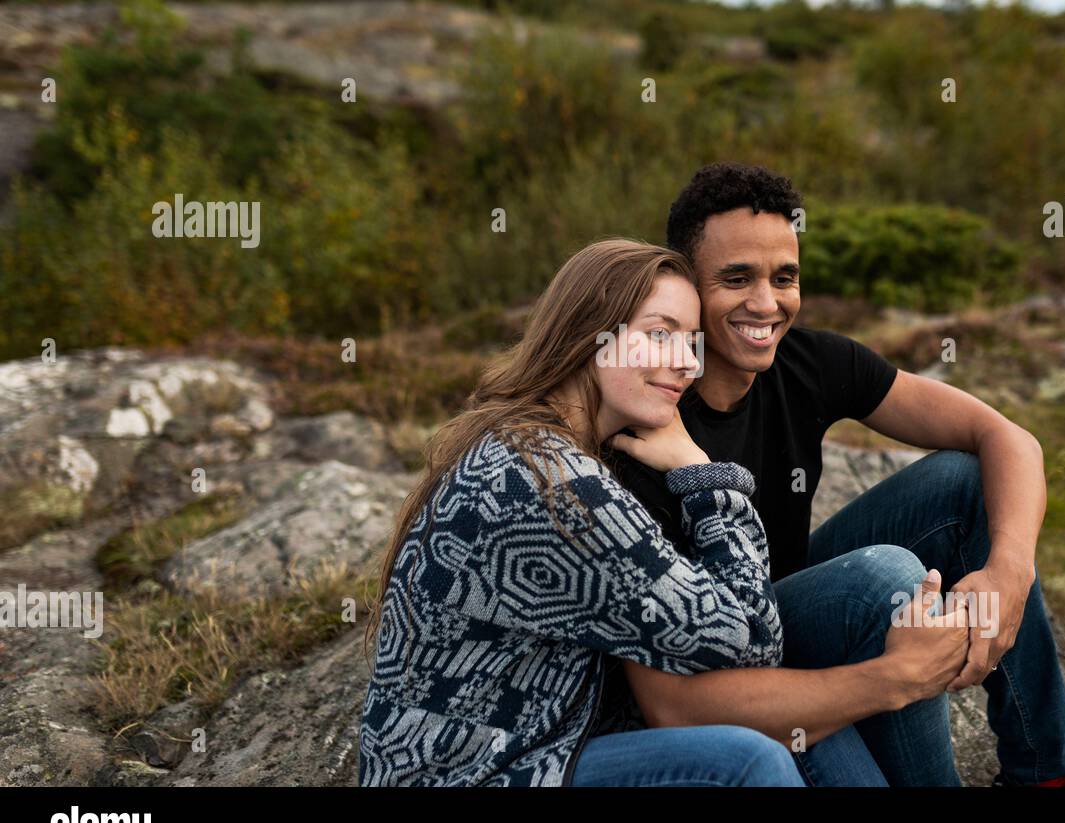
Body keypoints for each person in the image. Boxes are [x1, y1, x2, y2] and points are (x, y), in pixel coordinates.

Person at [606, 162, 1065, 787]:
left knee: (962, 481)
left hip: (787, 608)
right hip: (719, 663)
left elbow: (1007, 438)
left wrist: (1009, 569)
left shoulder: (808, 362)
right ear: (685, 284)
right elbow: (668, 704)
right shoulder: (646, 419)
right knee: (884, 581)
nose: (766, 303)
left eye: (784, 277)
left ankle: (1047, 774)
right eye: (736, 278)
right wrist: (889, 679)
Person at [358, 238, 932, 786]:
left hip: (545, 742)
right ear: (591, 336)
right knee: (745, 759)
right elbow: (750, 642)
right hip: (481, 774)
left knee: (799, 717)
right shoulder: (554, 483)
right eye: (660, 336)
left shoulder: (533, 443)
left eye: (690, 342)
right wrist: (704, 476)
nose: (685, 364)